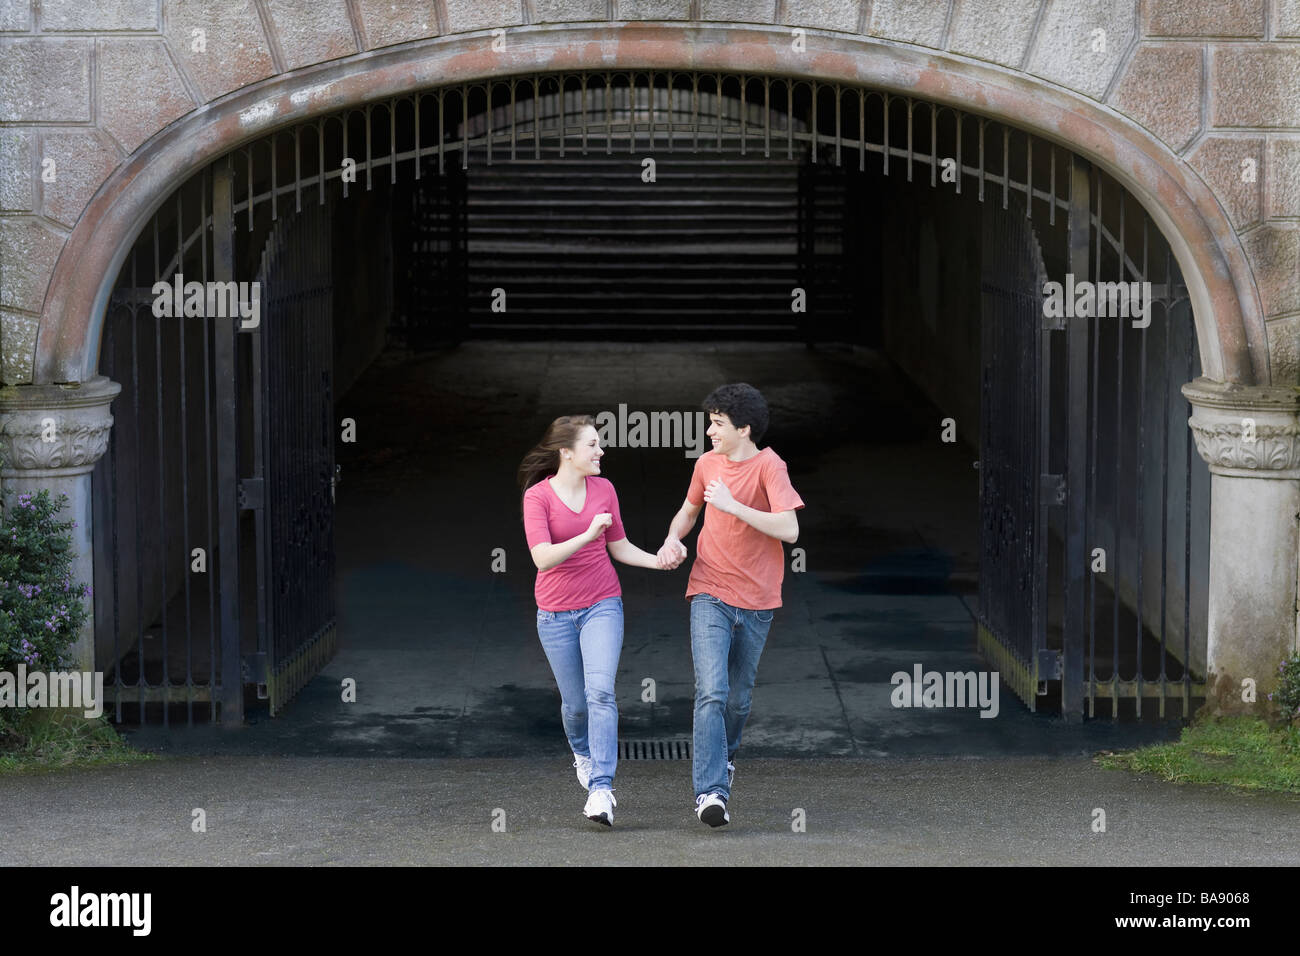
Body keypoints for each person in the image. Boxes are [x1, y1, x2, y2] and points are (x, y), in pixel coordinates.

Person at [656, 384, 805, 828]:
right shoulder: (706, 464)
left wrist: (734, 505)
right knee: (712, 692)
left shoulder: (769, 466)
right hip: (709, 590)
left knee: (738, 702)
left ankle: (725, 758)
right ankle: (710, 793)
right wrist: (671, 539)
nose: (709, 432)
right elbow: (688, 510)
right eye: (710, 422)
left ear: (744, 429)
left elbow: (790, 529)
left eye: (718, 424)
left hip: (758, 600)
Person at [519, 414, 669, 827]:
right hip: (554, 613)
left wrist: (658, 561)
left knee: (600, 692)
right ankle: (582, 755)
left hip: (602, 603)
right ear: (566, 452)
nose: (601, 451)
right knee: (574, 704)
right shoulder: (538, 497)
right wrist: (587, 535)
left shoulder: (604, 489)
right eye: (592, 445)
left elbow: (619, 546)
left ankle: (602, 788)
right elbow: (542, 558)